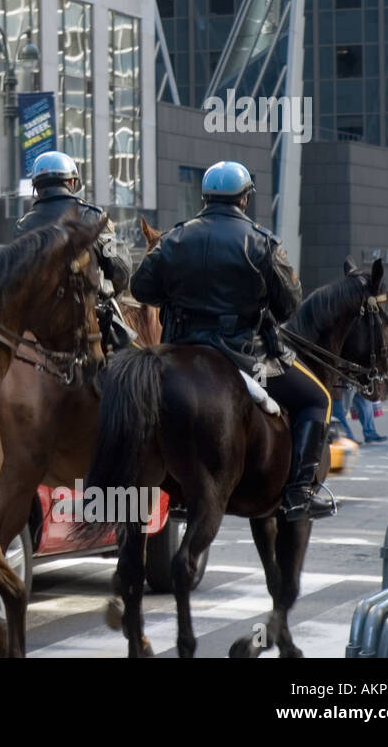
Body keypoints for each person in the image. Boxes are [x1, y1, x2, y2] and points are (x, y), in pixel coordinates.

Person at [130, 161, 335, 520]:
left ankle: (162, 491)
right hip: (242, 356)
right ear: (244, 199)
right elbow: (289, 305)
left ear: (205, 197)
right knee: (317, 399)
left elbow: (140, 288)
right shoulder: (262, 242)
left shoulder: (175, 238)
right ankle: (300, 493)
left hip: (179, 350)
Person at [15, 151, 134, 352]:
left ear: (37, 187)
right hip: (90, 320)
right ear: (71, 182)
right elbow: (121, 269)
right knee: (129, 371)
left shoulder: (21, 226)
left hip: (34, 324)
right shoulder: (93, 217)